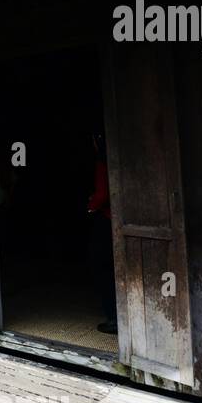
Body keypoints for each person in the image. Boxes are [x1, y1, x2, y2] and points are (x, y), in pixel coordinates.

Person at [87, 133, 118, 335]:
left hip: (107, 220)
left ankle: (114, 318)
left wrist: (91, 206)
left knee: (105, 269)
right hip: (117, 220)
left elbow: (103, 194)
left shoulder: (103, 163)